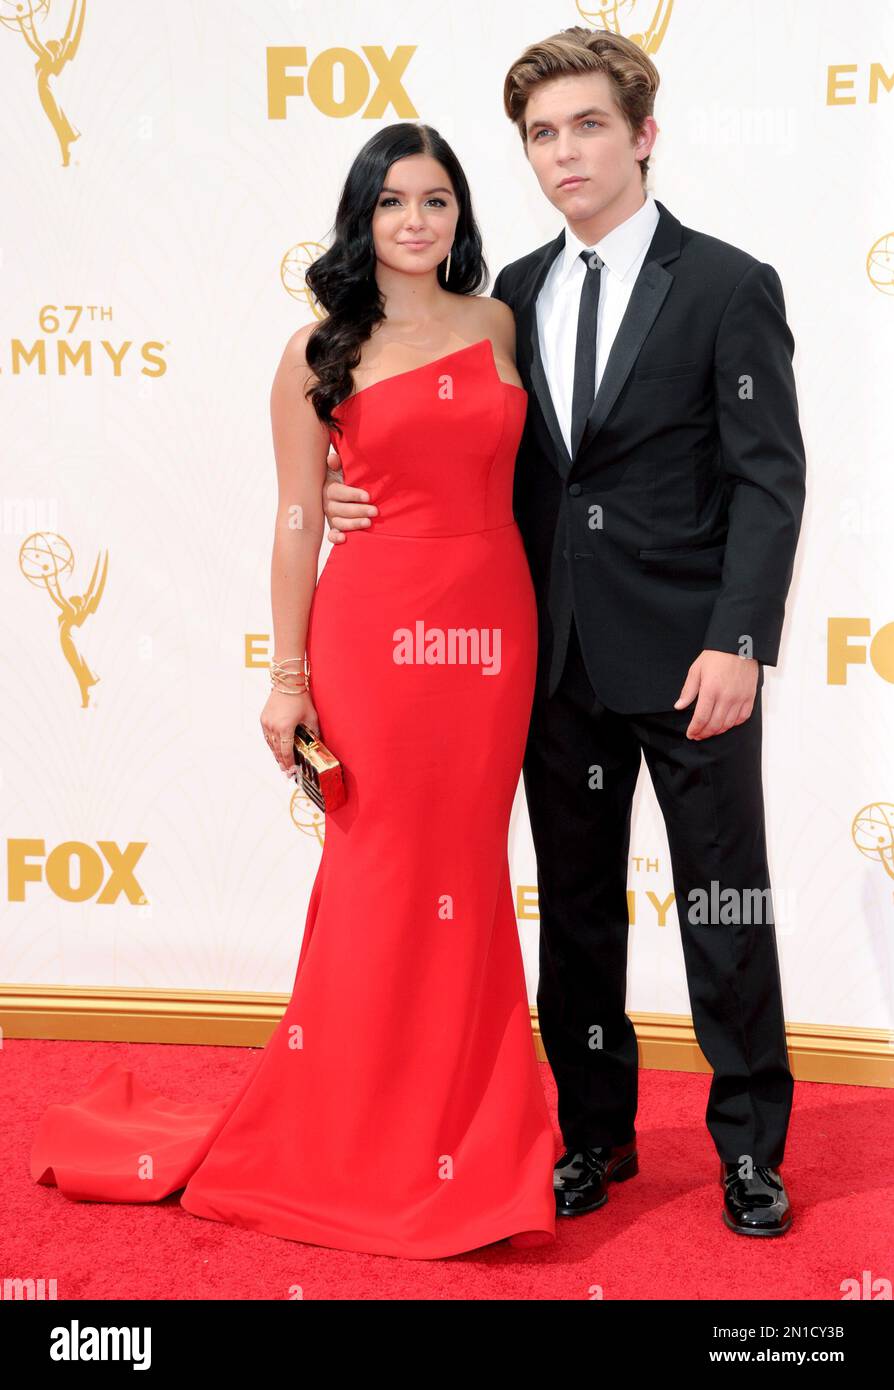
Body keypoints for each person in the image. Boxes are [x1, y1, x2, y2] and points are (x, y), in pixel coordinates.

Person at [30, 122, 558, 1259]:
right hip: (376, 633)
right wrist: (287, 678)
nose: (418, 222)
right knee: (380, 876)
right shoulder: (318, 348)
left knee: (466, 871)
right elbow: (298, 521)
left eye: (438, 202)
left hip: (491, 633)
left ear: (461, 217)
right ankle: (356, 1137)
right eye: (393, 203)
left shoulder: (500, 321)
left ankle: (466, 1133)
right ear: (360, 218)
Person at [323, 28, 806, 1237]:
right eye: (541, 133)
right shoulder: (510, 299)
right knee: (579, 912)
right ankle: (595, 1132)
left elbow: (769, 481)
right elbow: (466, 454)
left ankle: (752, 1144)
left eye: (587, 125)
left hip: (696, 657)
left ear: (643, 134)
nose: (563, 151)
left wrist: (739, 639)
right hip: (550, 658)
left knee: (722, 903)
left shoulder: (728, 284)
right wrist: (352, 492)